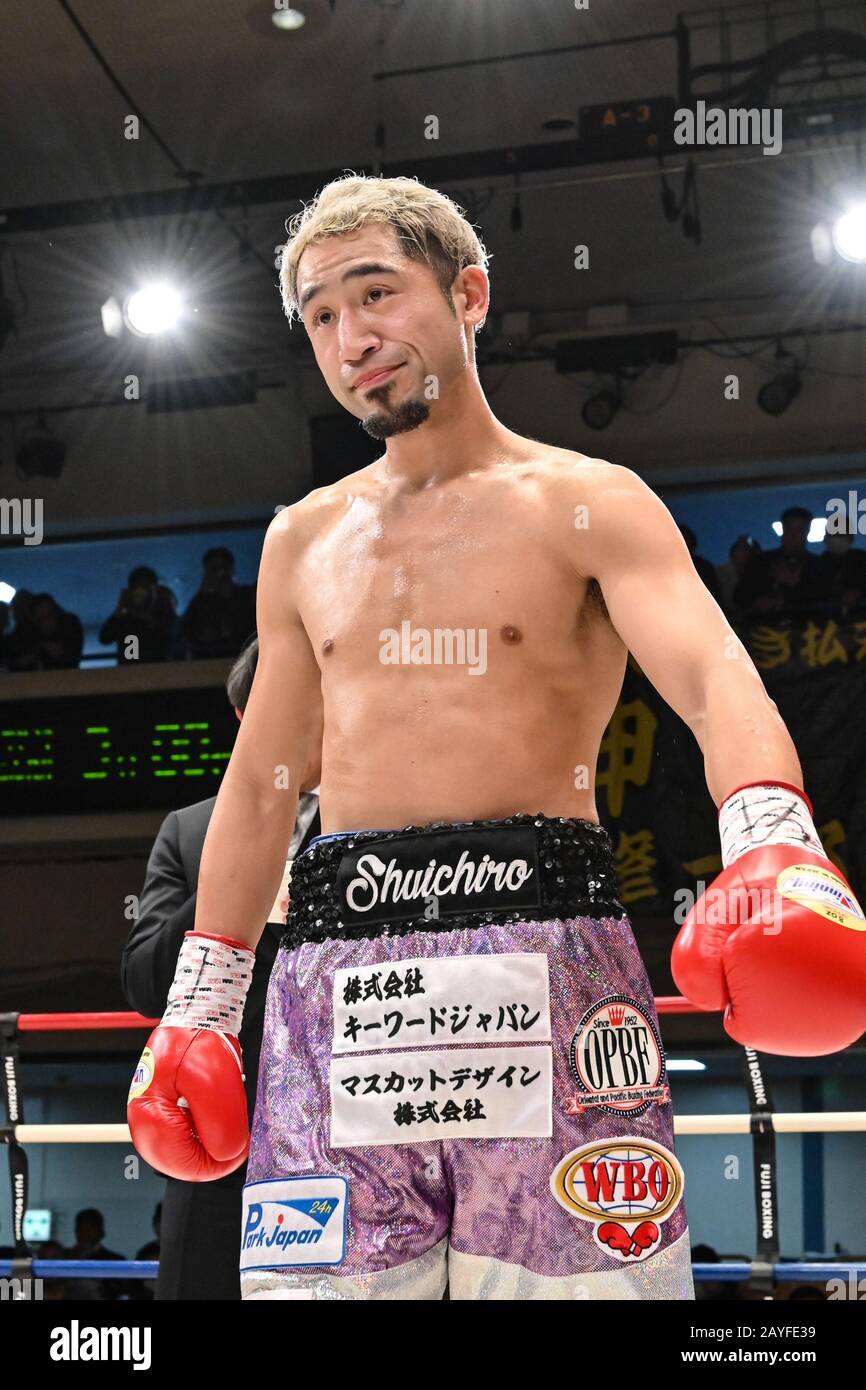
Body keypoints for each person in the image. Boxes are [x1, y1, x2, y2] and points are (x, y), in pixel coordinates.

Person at [128, 175, 866, 1301]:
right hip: (336, 977)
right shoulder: (300, 540)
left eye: (375, 292)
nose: (350, 336)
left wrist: (770, 836)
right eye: (320, 315)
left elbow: (713, 680)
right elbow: (263, 783)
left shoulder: (587, 500)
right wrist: (198, 1011)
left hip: (548, 959)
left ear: (467, 293)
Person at [122, 636, 321, 1299]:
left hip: (353, 1126)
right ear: (245, 719)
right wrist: (236, 889)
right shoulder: (191, 830)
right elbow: (145, 983)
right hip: (221, 1129)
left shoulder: (389, 820)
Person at [734, 506, 821, 616]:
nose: (793, 536)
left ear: (807, 532)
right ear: (783, 530)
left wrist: (794, 586)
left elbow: (824, 599)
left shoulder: (819, 566)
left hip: (806, 628)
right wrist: (757, 602)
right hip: (762, 627)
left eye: (799, 531)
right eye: (789, 530)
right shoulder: (760, 562)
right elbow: (740, 595)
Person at [181, 547, 256, 659]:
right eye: (213, 569)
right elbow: (187, 633)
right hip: (209, 661)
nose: (220, 573)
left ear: (231, 569)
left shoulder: (247, 596)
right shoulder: (200, 603)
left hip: (245, 658)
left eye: (223, 568)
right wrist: (202, 592)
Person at [99, 565, 181, 664]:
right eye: (136, 588)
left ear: (154, 590)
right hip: (130, 675)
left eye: (145, 587)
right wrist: (120, 608)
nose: (140, 593)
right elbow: (105, 638)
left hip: (159, 672)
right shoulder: (124, 620)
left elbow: (173, 637)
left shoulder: (164, 617)